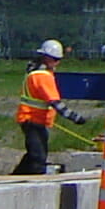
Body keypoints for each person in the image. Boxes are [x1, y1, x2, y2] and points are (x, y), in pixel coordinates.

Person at [12, 40, 86, 175]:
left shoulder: (36, 72)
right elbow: (55, 102)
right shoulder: (42, 77)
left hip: (35, 120)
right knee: (38, 157)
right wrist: (75, 118)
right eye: (56, 60)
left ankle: (15, 176)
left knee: (34, 153)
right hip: (31, 119)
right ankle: (34, 176)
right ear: (47, 58)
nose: (58, 63)